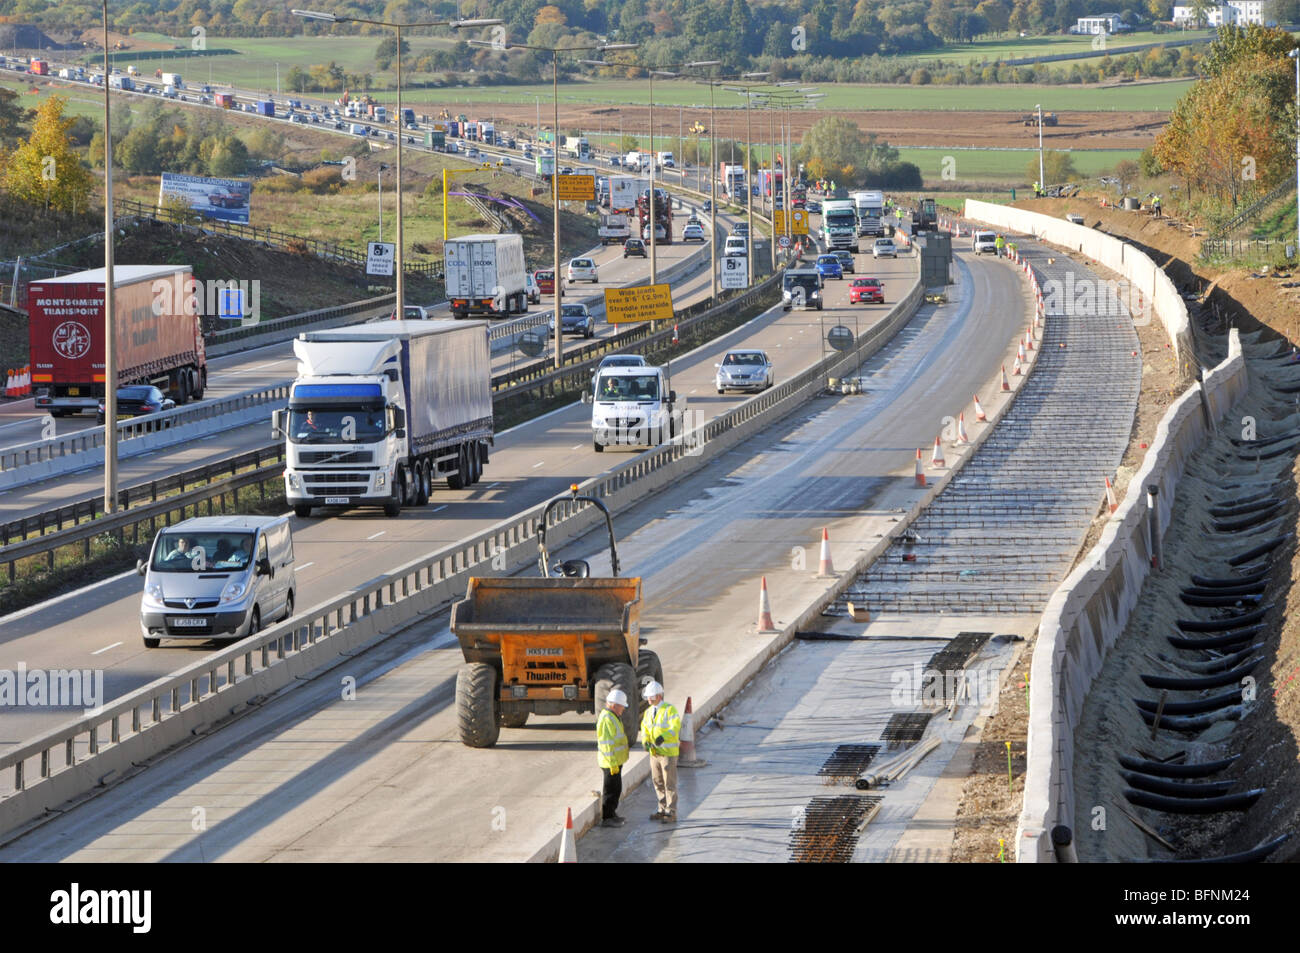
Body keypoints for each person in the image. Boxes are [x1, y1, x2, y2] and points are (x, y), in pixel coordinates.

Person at [640, 681, 681, 823]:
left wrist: (663, 737)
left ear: (659, 696)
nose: (649, 700)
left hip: (668, 754)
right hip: (655, 753)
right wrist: (645, 741)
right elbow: (644, 728)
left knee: (669, 783)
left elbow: (675, 726)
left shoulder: (670, 710)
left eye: (651, 697)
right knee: (657, 781)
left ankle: (671, 811)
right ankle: (662, 808)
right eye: (648, 697)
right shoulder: (648, 712)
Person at [596, 689, 630, 827]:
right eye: (622, 706)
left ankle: (612, 814)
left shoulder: (613, 716)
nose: (623, 709)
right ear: (614, 705)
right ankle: (607, 817)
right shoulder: (606, 719)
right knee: (610, 790)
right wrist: (611, 763)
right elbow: (607, 744)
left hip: (616, 761)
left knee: (616, 788)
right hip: (611, 762)